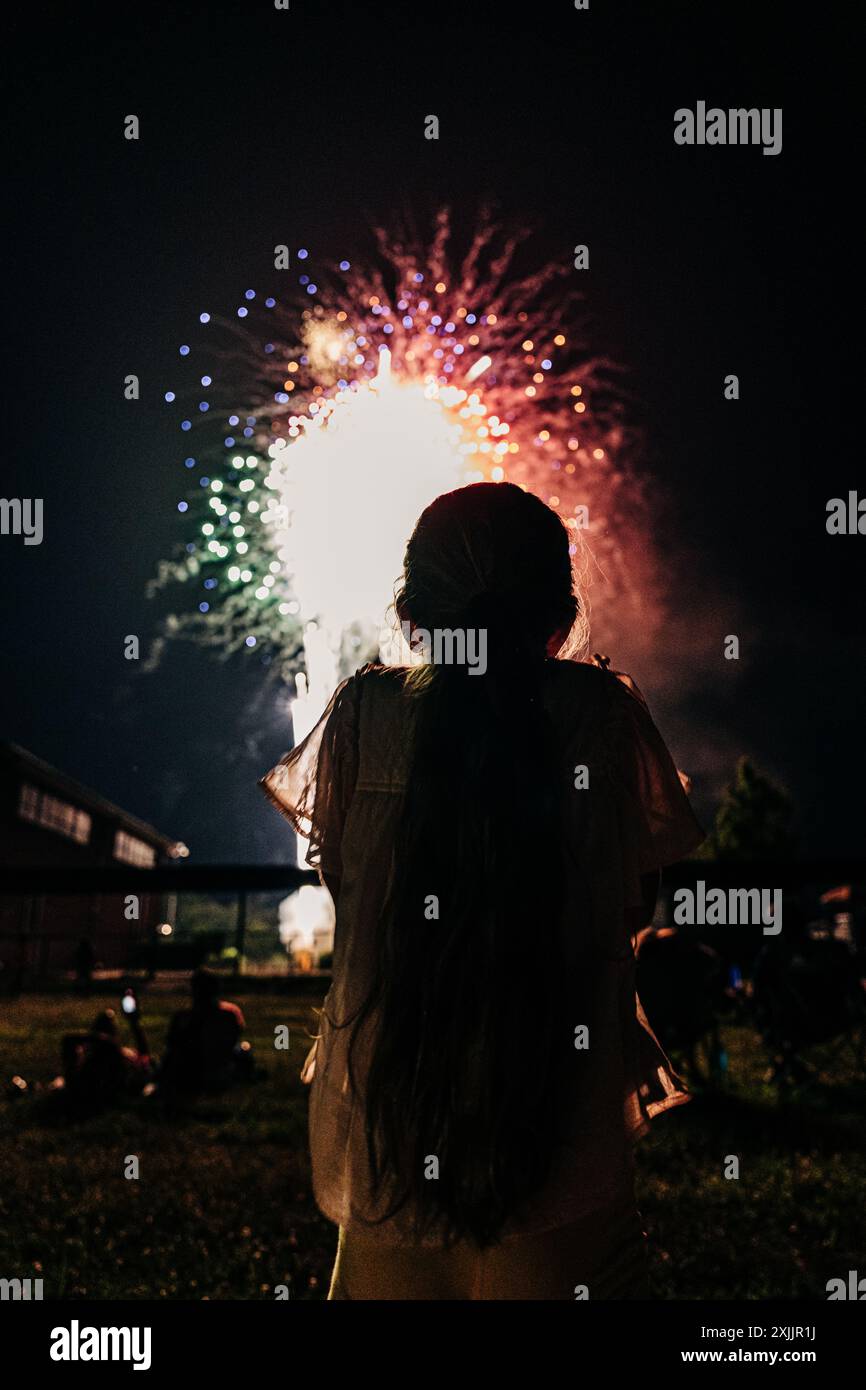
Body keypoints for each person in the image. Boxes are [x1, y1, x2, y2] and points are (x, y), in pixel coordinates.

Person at [261, 482, 705, 1300]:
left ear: (413, 610)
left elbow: (346, 887)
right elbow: (635, 901)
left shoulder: (363, 714)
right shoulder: (602, 715)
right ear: (559, 613)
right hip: (561, 1127)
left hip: (393, 1125)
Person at [158, 968, 247, 1098]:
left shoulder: (183, 1017)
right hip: (218, 1067)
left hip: (188, 1068)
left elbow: (171, 1043)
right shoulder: (230, 1014)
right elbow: (235, 1037)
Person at [60, 1005, 151, 1110]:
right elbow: (68, 1040)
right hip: (92, 1090)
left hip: (108, 1089)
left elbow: (143, 1057)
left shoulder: (118, 1053)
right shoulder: (93, 1057)